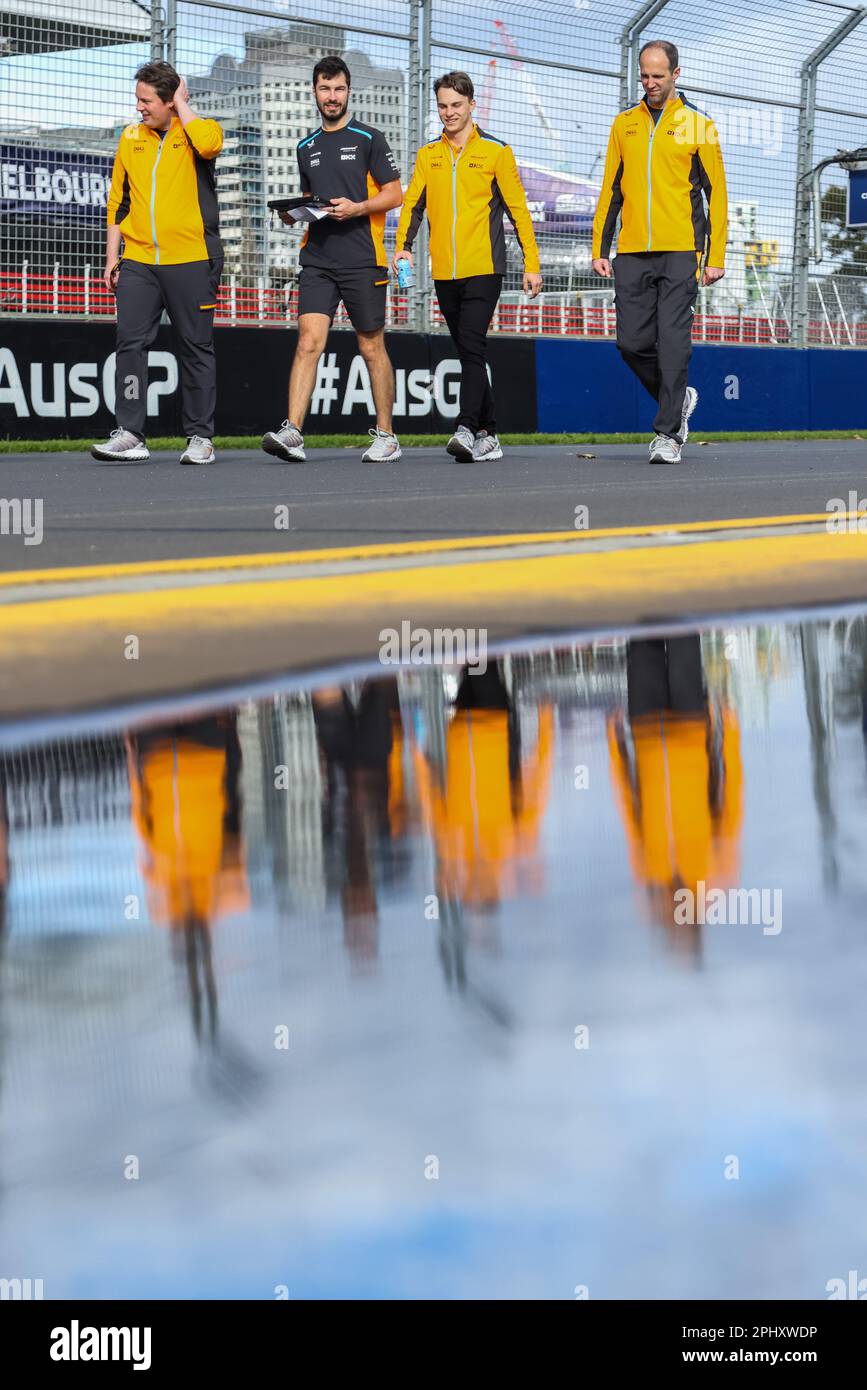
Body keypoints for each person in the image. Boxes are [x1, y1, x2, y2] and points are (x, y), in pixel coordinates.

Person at [394, 71, 542, 463]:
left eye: (456, 105)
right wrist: (403, 247)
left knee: (473, 344)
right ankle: (488, 433)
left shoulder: (496, 151)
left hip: (484, 267)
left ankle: (464, 427)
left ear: (472, 105)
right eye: (442, 106)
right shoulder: (429, 155)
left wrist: (532, 263)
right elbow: (413, 206)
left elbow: (518, 212)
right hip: (444, 271)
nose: (449, 113)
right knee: (468, 351)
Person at [261, 56, 404, 464]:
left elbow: (395, 195)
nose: (332, 96)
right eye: (325, 89)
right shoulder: (305, 146)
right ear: (314, 92)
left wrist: (357, 208)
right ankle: (292, 432)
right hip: (318, 259)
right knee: (308, 342)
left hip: (363, 257)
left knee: (371, 347)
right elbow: (314, 200)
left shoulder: (369, 138)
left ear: (348, 91)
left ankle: (387, 436)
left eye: (339, 88)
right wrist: (295, 211)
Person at [591, 40, 727, 465]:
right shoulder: (623, 125)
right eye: (644, 75)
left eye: (658, 76)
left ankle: (667, 434)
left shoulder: (698, 125)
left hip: (681, 252)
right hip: (631, 251)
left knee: (673, 343)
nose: (650, 83)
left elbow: (716, 195)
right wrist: (600, 247)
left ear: (676, 75)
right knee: (630, 343)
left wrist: (716, 255)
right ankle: (678, 399)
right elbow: (611, 189)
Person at [92, 61, 224, 465]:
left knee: (195, 348)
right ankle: (131, 433)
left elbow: (209, 146)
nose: (139, 108)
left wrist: (184, 104)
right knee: (130, 345)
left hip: (192, 259)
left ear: (169, 101)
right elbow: (119, 203)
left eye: (146, 101)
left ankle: (200, 438)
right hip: (139, 261)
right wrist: (113, 257)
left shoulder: (199, 130)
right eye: (137, 100)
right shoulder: (130, 138)